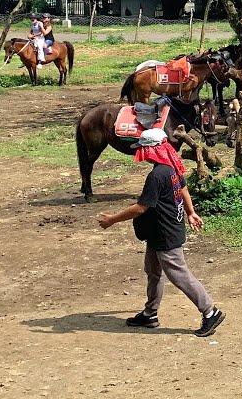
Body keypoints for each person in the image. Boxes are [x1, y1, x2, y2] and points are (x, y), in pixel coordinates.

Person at [96, 128, 225, 336]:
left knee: (179, 275)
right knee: (153, 271)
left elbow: (141, 207)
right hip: (161, 230)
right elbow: (183, 189)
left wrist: (112, 219)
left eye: (143, 150)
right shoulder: (171, 167)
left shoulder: (157, 175)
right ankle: (150, 314)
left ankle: (210, 311)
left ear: (152, 150)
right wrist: (191, 212)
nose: (141, 154)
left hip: (166, 233)